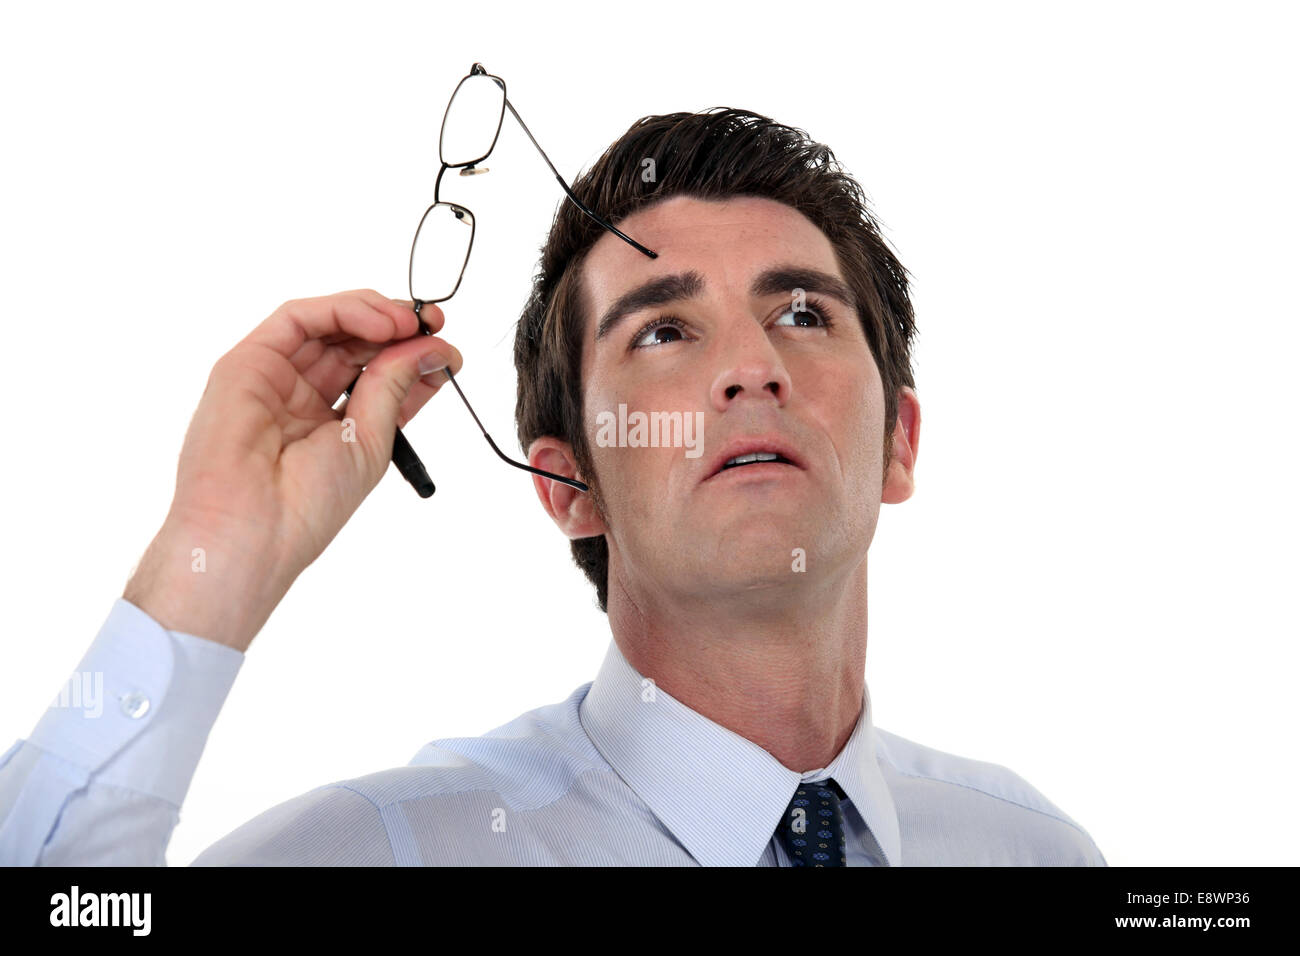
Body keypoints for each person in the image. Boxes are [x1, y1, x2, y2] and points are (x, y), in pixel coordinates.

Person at [0, 108, 1105, 866]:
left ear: (897, 442)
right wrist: (211, 557)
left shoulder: (1035, 849)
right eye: (665, 328)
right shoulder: (382, 853)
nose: (749, 366)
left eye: (803, 313)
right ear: (566, 483)